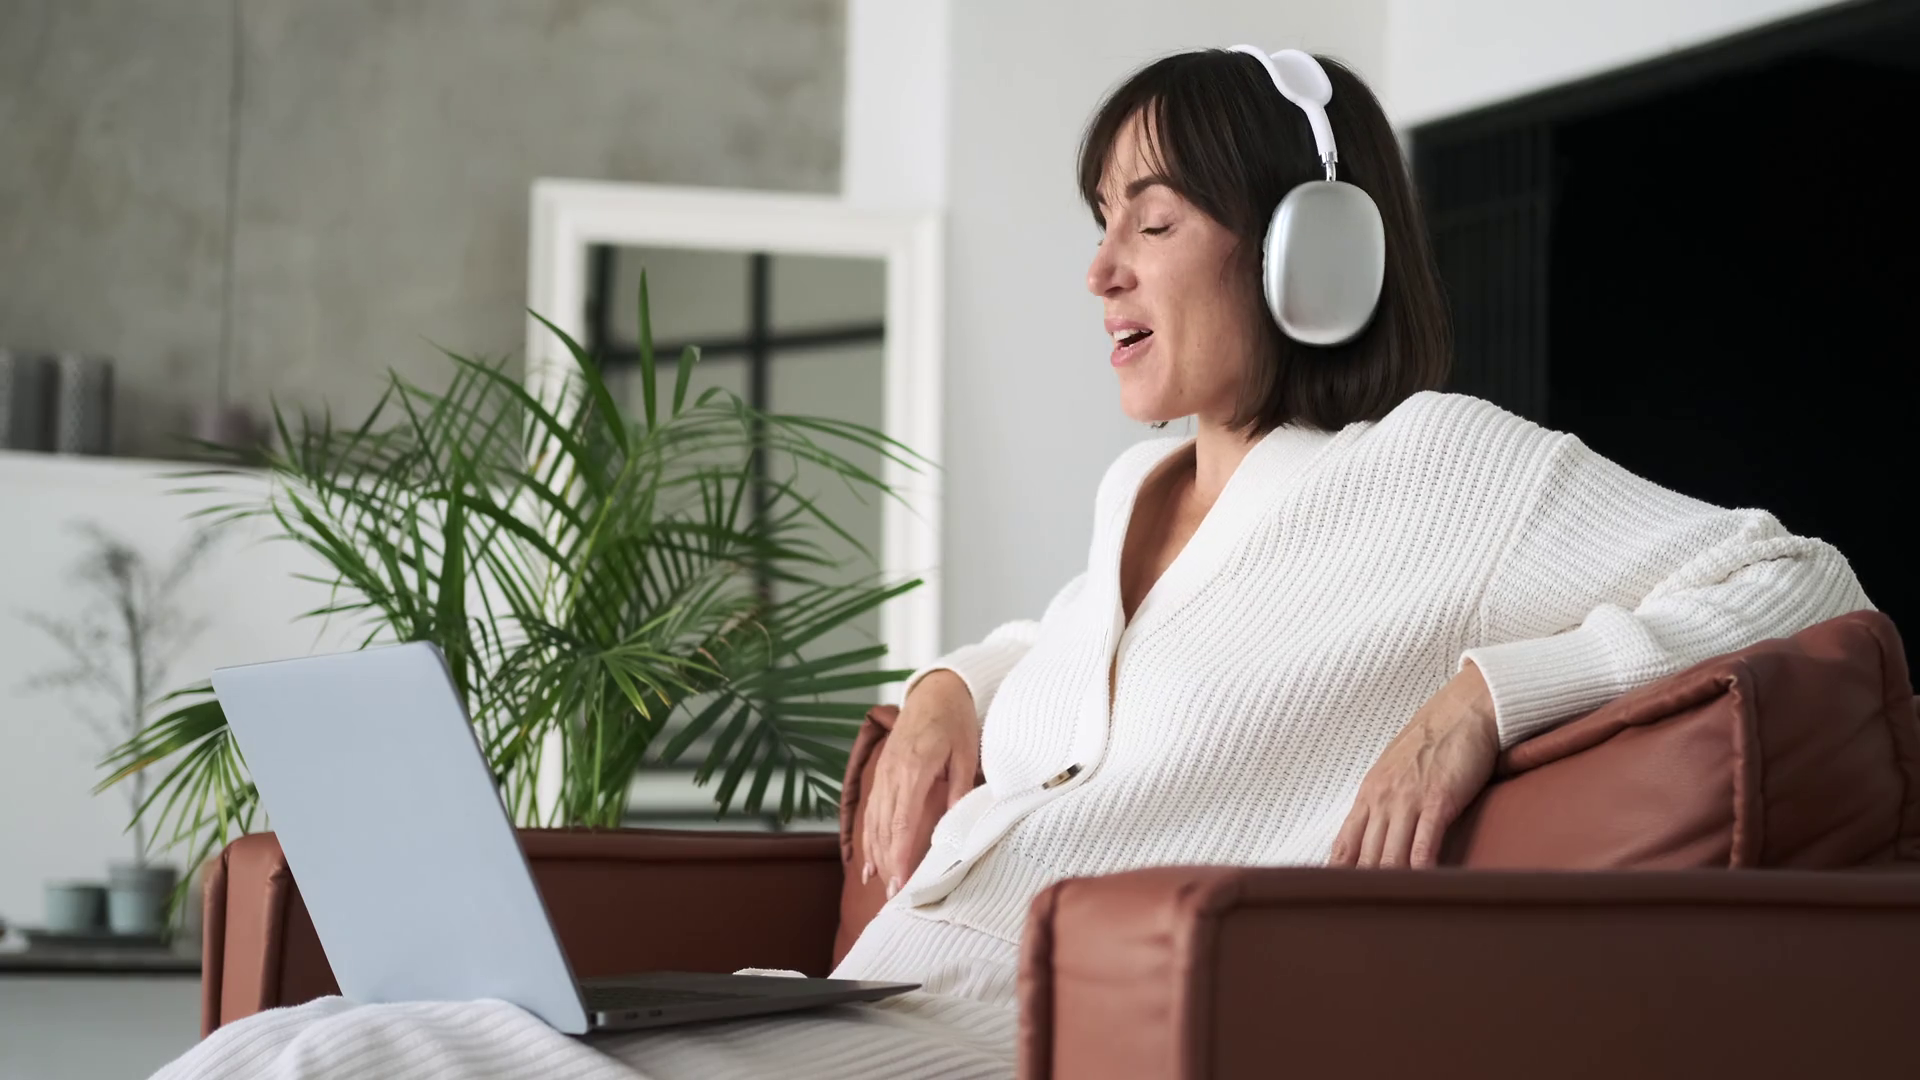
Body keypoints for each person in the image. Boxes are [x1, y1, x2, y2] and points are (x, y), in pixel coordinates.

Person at [155, 46, 1869, 1080]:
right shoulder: (1137, 500)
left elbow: (1796, 578)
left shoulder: (1447, 468)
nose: (1101, 271)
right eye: (1096, 225)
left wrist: (1493, 696)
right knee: (274, 1048)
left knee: (345, 1062)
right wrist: (953, 688)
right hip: (863, 1001)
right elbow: (1088, 653)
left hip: (1001, 1042)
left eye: (1149, 220)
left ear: (1310, 252)